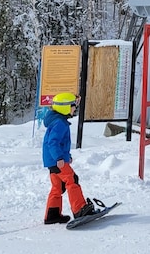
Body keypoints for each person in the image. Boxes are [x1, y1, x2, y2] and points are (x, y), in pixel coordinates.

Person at [42, 92, 96, 224]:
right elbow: (53, 142)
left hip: (52, 160)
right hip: (57, 160)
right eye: (73, 106)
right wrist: (60, 158)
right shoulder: (60, 123)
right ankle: (80, 209)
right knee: (72, 180)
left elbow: (60, 144)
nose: (74, 109)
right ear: (64, 107)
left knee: (58, 186)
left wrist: (66, 156)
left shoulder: (56, 121)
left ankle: (52, 214)